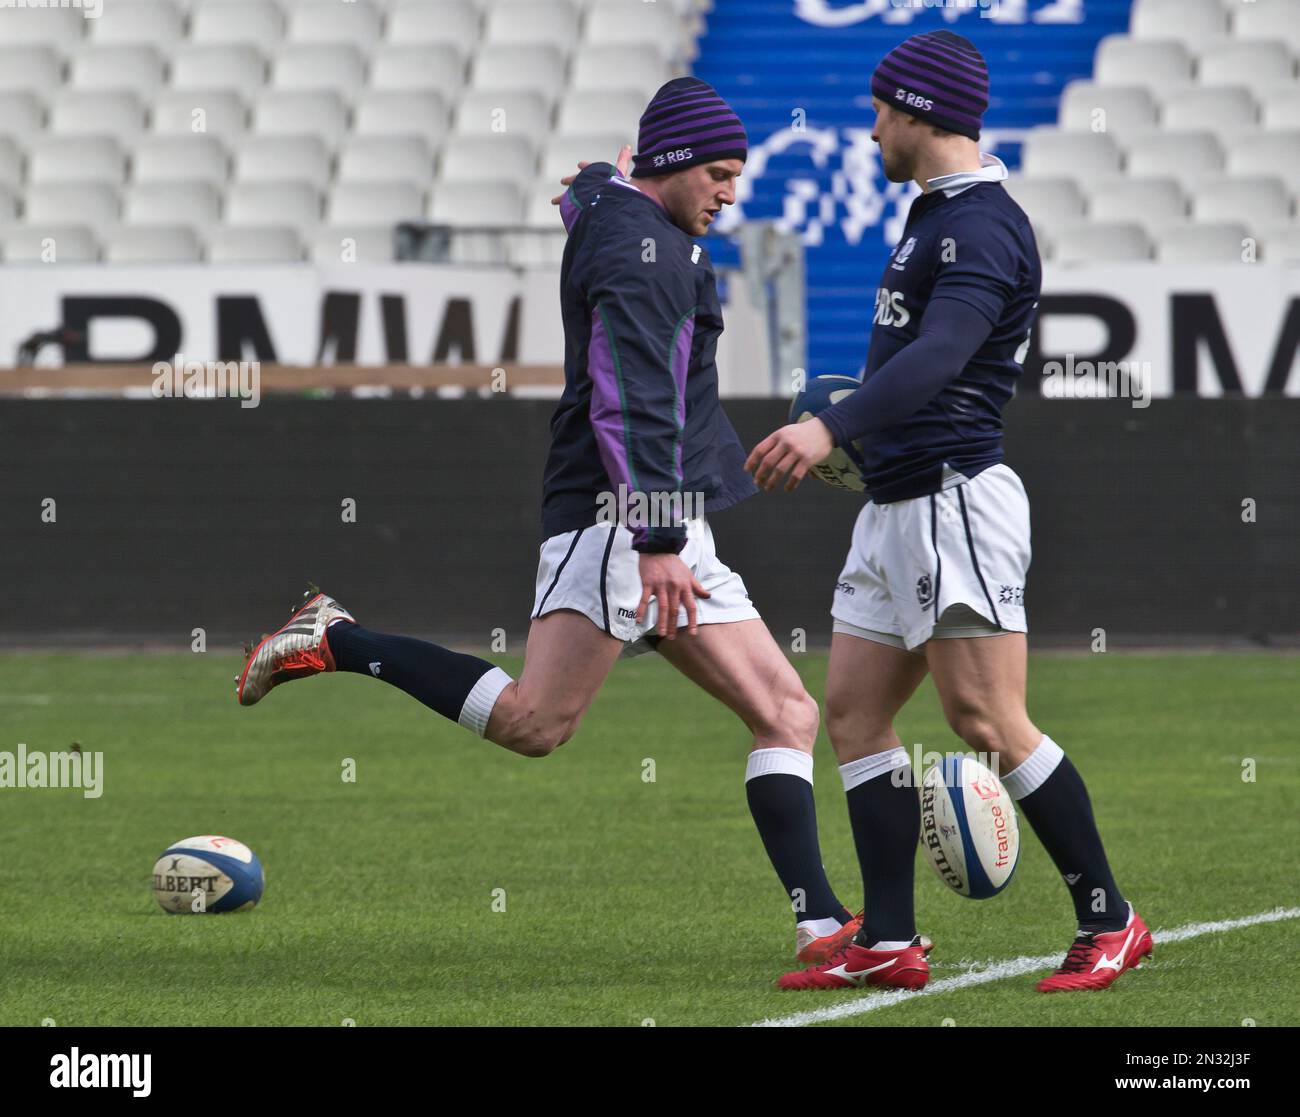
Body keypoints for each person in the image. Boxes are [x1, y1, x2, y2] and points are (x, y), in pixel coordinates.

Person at [237, 78, 862, 965]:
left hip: (660, 511)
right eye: (720, 174)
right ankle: (338, 638)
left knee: (787, 711)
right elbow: (629, 401)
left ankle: (824, 925)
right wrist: (654, 540)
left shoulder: (623, 216)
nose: (731, 193)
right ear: (674, 164)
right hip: (621, 519)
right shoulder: (647, 252)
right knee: (535, 723)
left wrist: (589, 187)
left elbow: (598, 197)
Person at [747, 31, 1152, 993]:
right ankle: (888, 938)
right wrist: (857, 439)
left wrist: (827, 430)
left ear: (921, 111)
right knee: (852, 714)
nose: (872, 124)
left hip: (952, 502)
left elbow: (941, 359)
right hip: (896, 506)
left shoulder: (981, 225)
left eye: (883, 107)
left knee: (985, 715)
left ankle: (1112, 917)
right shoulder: (938, 215)